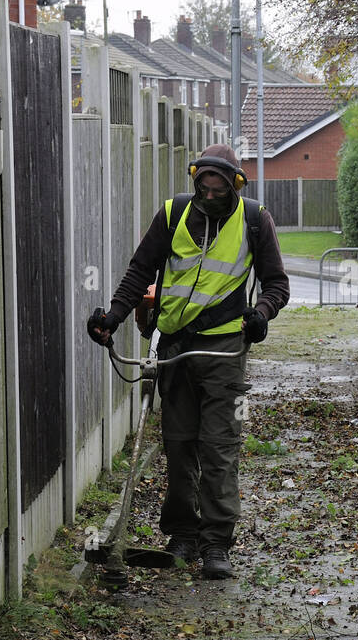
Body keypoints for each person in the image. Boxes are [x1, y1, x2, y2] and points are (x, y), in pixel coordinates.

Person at [86, 144, 290, 579]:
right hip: (175, 349)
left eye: (220, 188)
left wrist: (261, 314)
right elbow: (140, 270)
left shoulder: (255, 219)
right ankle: (182, 533)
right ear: (196, 181)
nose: (211, 195)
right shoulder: (174, 214)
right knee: (178, 447)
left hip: (224, 352)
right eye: (205, 187)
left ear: (235, 184)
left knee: (219, 448)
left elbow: (277, 284)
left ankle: (217, 543)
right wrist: (112, 318)